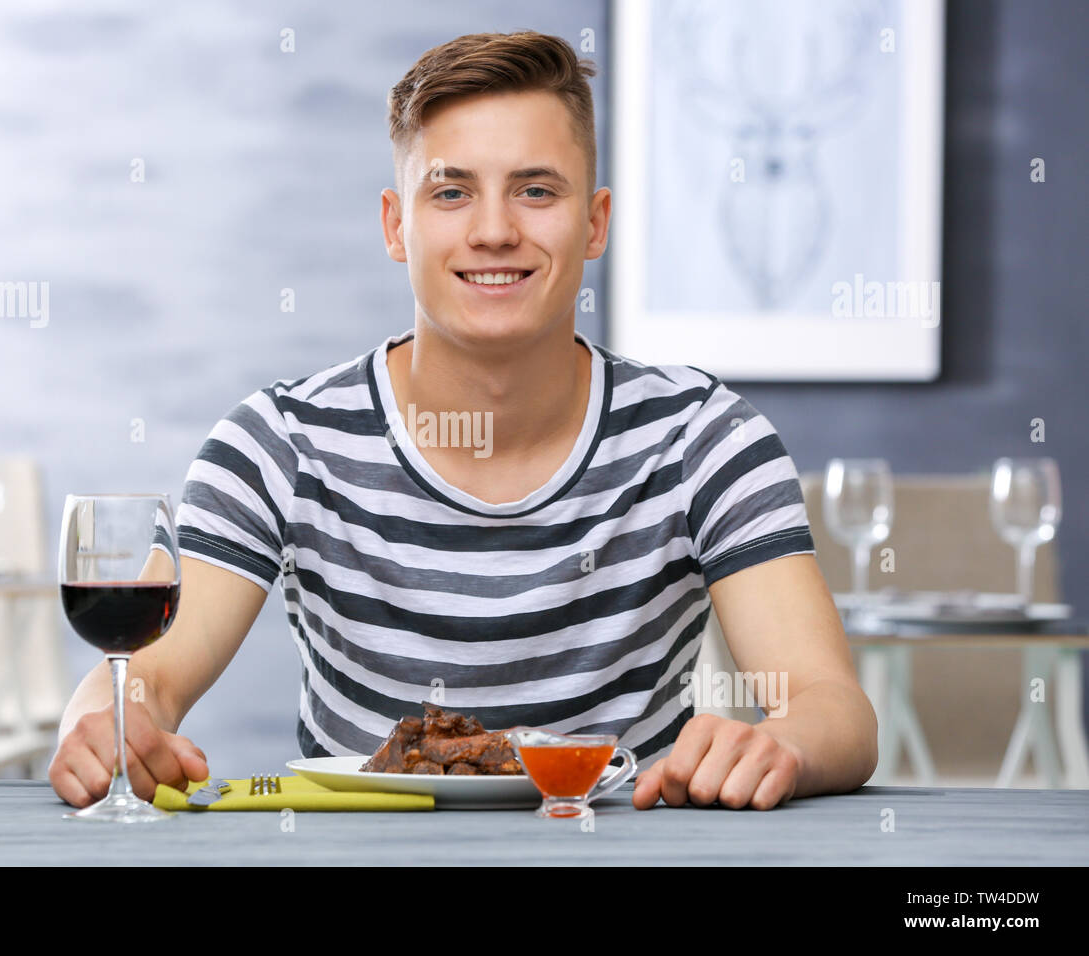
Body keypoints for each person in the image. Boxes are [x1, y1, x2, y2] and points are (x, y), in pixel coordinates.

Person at [49, 30, 877, 813]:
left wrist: (784, 748)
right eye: (451, 192)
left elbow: (830, 706)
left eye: (536, 190)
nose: (493, 231)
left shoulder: (704, 438)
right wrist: (104, 724)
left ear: (593, 223)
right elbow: (145, 682)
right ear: (396, 226)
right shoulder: (280, 444)